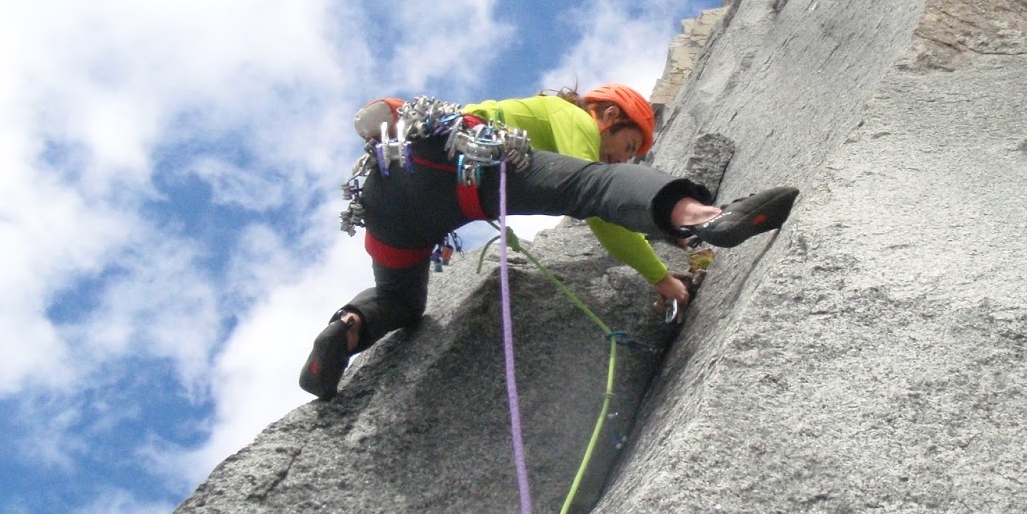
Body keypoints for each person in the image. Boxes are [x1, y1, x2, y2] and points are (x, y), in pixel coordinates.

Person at [300, 84, 797, 399]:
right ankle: (706, 217)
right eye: (624, 147)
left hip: (390, 193)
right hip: (468, 160)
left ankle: (345, 331)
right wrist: (662, 277)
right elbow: (596, 202)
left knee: (400, 301)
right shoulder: (573, 117)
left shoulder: (546, 118)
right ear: (606, 115)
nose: (620, 161)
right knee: (591, 187)